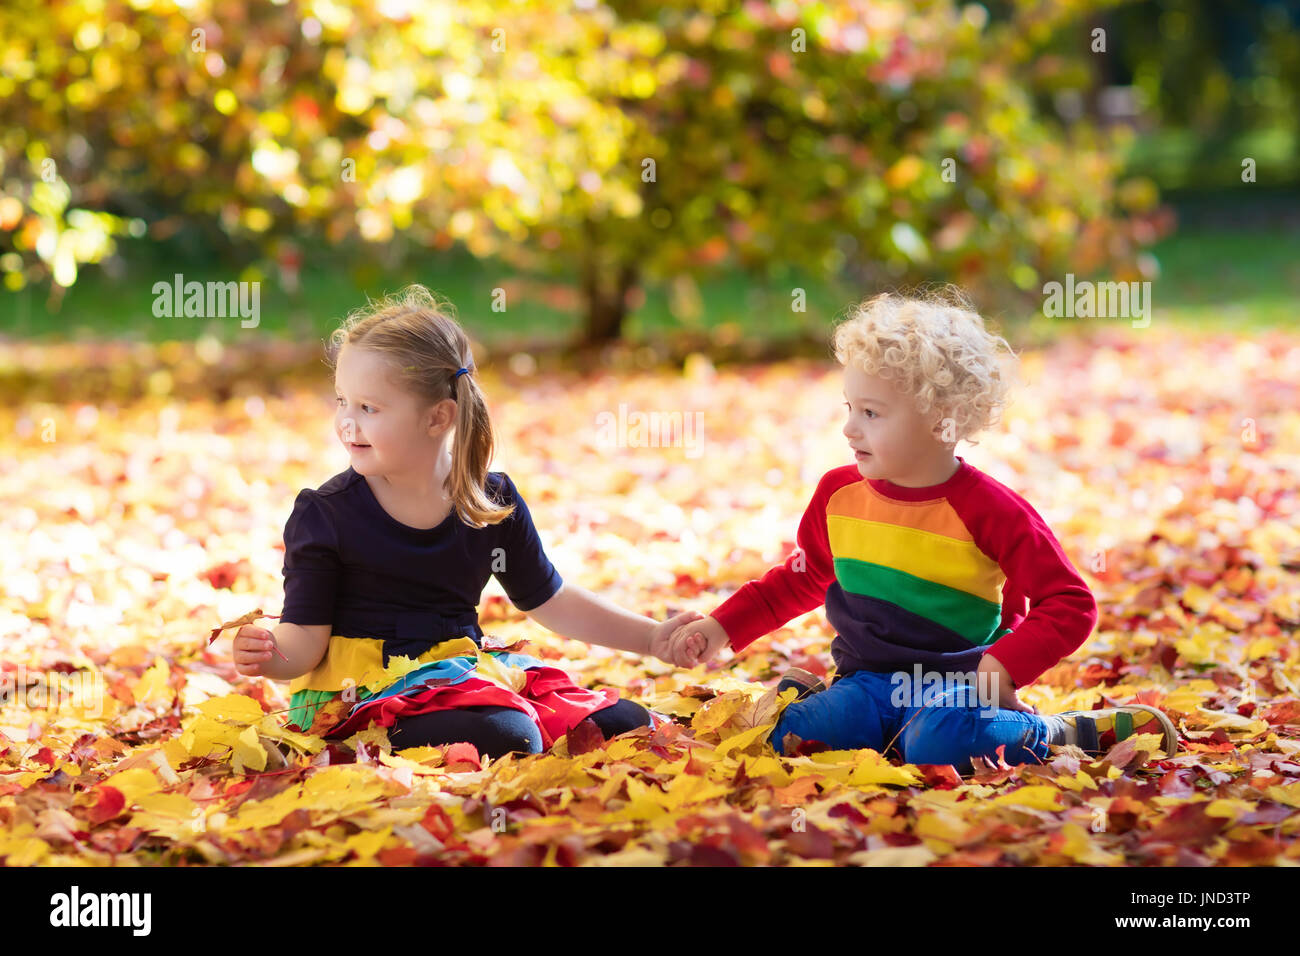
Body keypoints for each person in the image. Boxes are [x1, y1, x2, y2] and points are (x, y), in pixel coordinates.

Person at [666, 288, 1179, 772]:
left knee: (936, 742)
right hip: (866, 683)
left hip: (955, 690)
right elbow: (799, 578)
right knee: (786, 738)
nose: (850, 428)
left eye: (871, 413)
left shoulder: (991, 511)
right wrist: (719, 629)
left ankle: (1058, 732)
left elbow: (1070, 602)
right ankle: (818, 702)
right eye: (851, 408)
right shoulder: (838, 496)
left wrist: (1001, 669)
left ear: (943, 422)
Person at [231, 284, 701, 760]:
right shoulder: (326, 513)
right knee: (510, 735)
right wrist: (269, 653)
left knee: (621, 724)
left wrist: (652, 638)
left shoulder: (488, 499)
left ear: (438, 417)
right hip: (360, 692)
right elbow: (305, 641)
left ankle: (500, 727)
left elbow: (551, 599)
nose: (346, 423)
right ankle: (346, 750)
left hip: (458, 673)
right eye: (341, 401)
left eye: (368, 408)